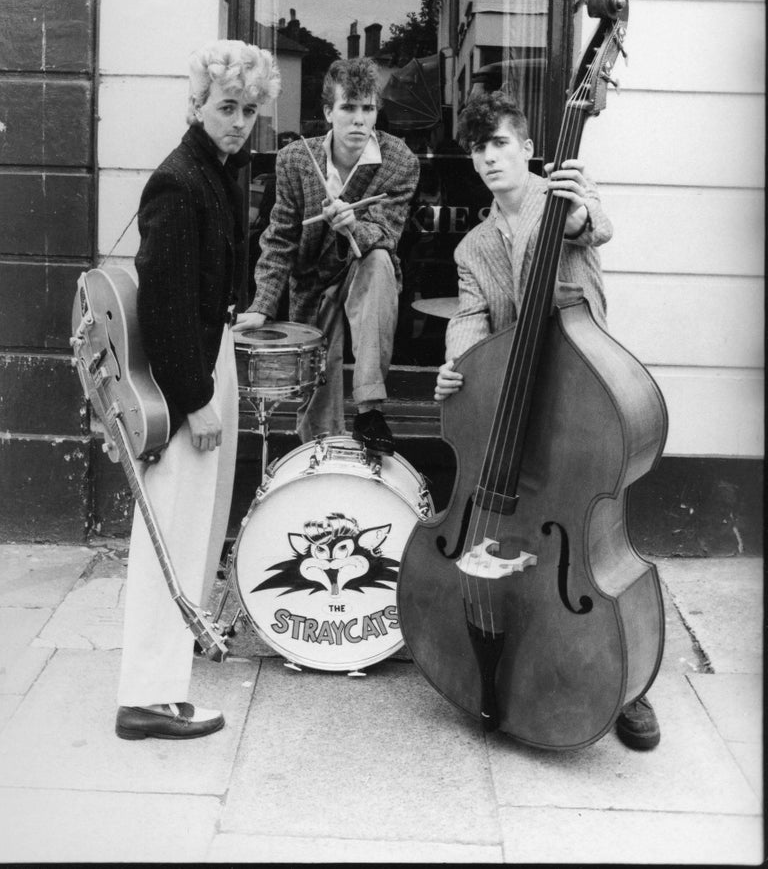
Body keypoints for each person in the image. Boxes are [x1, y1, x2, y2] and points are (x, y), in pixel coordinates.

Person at [434, 89, 661, 753]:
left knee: (597, 536)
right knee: (517, 526)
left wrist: (581, 210)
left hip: (577, 400)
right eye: (478, 148)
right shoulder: (474, 246)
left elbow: (596, 226)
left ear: (527, 147)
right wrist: (458, 367)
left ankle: (631, 683)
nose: (488, 158)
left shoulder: (559, 200)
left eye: (500, 143)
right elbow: (470, 319)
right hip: (512, 397)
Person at [115, 39, 280, 741]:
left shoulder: (221, 169)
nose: (239, 121)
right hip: (188, 369)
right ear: (198, 105)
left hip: (212, 350)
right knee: (171, 529)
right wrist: (194, 397)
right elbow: (163, 302)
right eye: (225, 107)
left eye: (249, 109)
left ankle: (167, 676)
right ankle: (145, 698)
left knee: (195, 526)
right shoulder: (180, 181)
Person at [235, 57, 420, 455]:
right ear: (327, 112)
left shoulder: (400, 160)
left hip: (365, 273)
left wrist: (352, 226)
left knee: (378, 261)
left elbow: (387, 234)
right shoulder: (295, 160)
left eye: (367, 109)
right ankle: (323, 460)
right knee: (321, 397)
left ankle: (370, 409)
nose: (358, 120)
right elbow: (280, 236)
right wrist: (263, 305)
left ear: (376, 112)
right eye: (348, 108)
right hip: (314, 285)